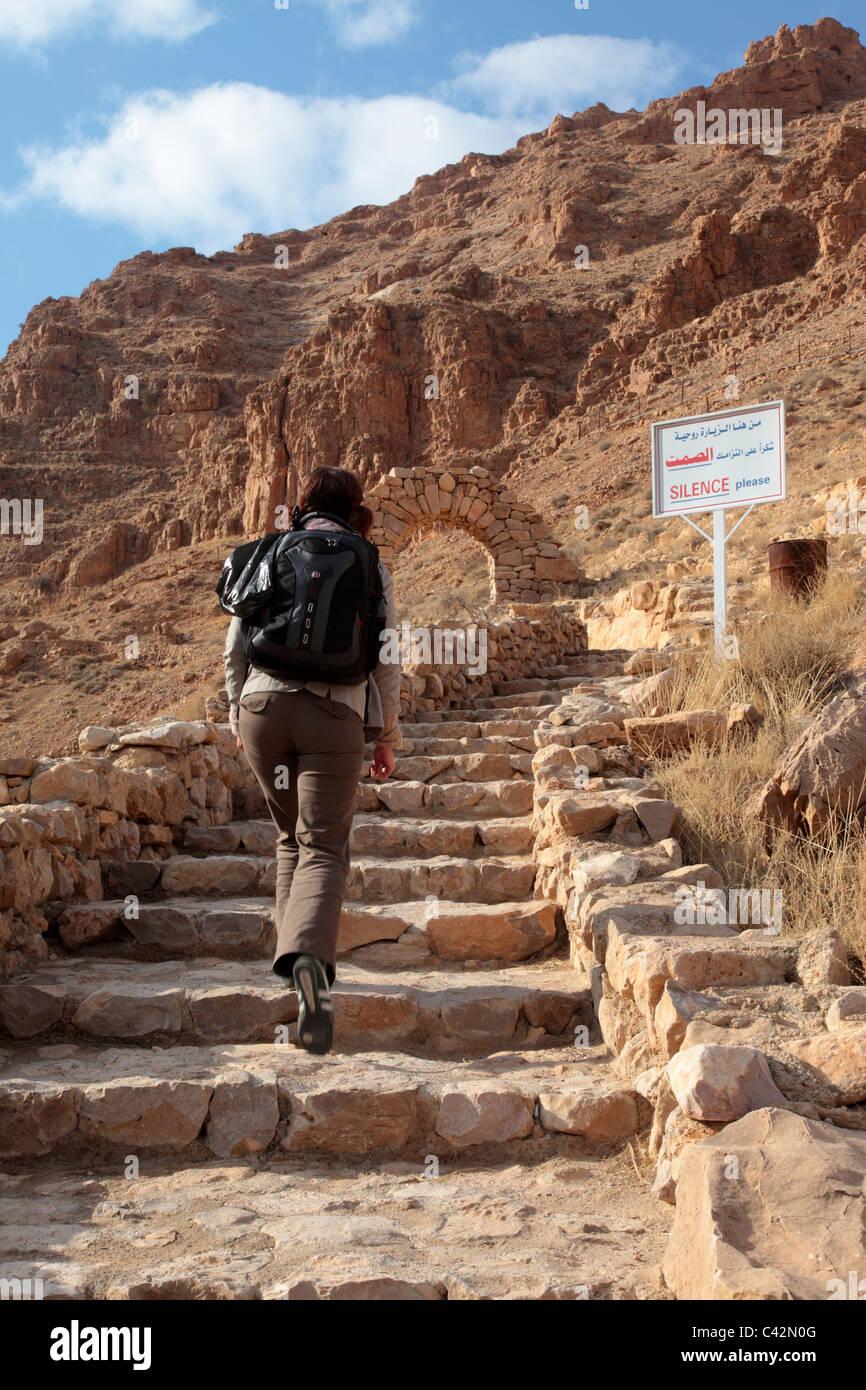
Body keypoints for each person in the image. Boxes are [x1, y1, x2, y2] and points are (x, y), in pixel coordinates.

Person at [223, 466, 402, 1054]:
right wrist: (387, 737)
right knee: (324, 845)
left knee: (288, 840)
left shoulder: (273, 549)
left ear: (302, 506)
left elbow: (235, 645)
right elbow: (387, 656)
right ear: (354, 508)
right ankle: (312, 974)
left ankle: (295, 966)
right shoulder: (369, 561)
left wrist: (237, 712)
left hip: (264, 710)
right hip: (335, 715)